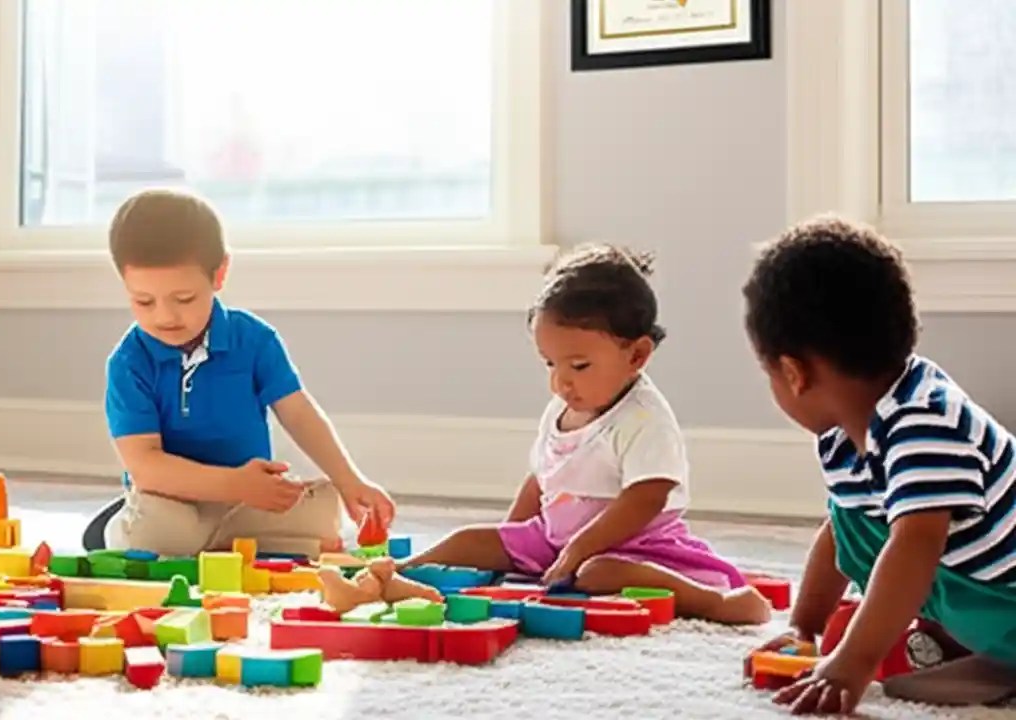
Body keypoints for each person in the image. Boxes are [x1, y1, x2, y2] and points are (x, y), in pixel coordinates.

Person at [402, 244, 769, 625]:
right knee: (470, 540)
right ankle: (399, 572)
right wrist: (508, 539)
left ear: (637, 356)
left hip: (632, 547)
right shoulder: (561, 409)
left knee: (599, 573)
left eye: (578, 365)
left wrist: (580, 548)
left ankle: (713, 601)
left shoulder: (645, 417)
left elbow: (648, 496)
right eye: (549, 363)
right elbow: (539, 482)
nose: (559, 381)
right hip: (554, 538)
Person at [743, 216, 1016, 713]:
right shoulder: (843, 435)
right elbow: (842, 532)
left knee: (905, 544)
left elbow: (916, 544)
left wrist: (853, 663)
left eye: (770, 375)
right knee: (853, 520)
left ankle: (988, 655)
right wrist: (803, 626)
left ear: (792, 372)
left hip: (1006, 597)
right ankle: (958, 643)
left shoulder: (926, 422)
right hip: (976, 593)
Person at [88, 188, 394, 558]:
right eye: (144, 301)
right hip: (174, 503)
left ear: (219, 274)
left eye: (184, 299)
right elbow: (146, 468)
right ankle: (166, 534)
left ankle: (223, 543)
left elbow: (298, 412)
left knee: (322, 508)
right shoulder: (128, 363)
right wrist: (234, 484)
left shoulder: (254, 339)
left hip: (249, 500)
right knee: (154, 534)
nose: (165, 317)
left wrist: (349, 481)